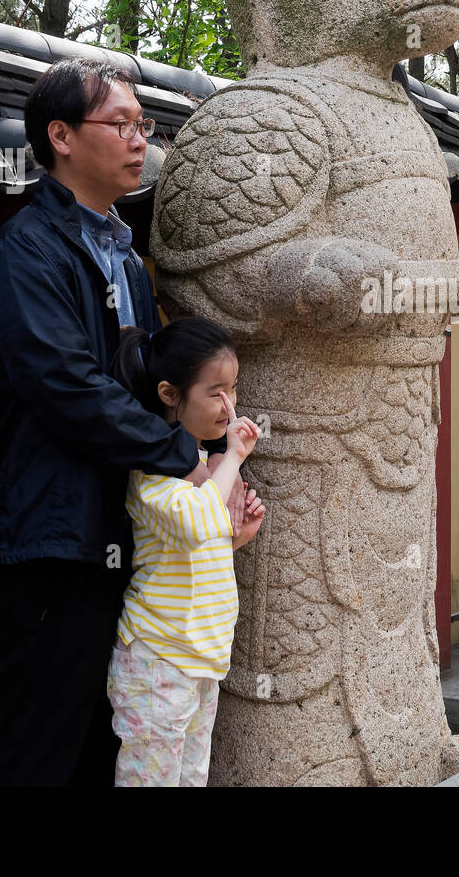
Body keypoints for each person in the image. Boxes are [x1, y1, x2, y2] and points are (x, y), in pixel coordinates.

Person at [0, 58, 214, 786]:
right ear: (62, 136)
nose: (142, 140)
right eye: (122, 123)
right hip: (46, 544)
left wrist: (216, 450)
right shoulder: (25, 252)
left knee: (99, 751)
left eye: (146, 124)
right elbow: (66, 388)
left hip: (112, 538)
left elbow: (145, 386)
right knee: (33, 751)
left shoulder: (128, 260)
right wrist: (180, 454)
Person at [107, 318, 265, 787]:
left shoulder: (198, 465)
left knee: (192, 777)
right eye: (215, 391)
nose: (229, 405)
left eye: (232, 389)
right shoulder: (154, 470)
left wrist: (239, 536)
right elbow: (196, 523)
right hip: (159, 658)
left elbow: (198, 547)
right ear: (170, 394)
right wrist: (233, 458)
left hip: (199, 658)